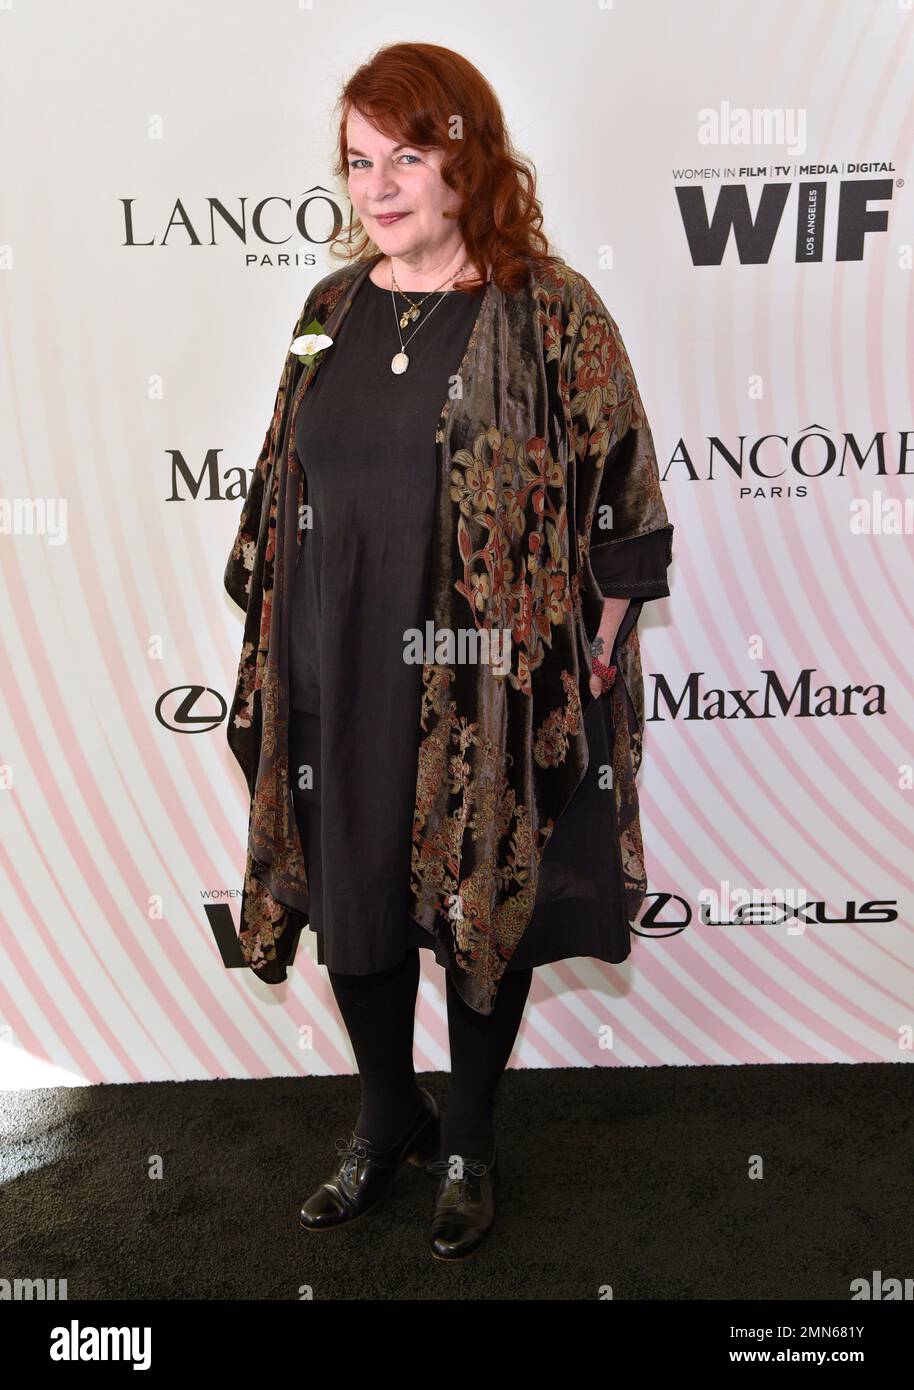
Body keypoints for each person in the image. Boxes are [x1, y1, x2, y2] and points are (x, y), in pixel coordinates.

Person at [224, 41, 674, 1261]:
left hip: (482, 679)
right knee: (353, 896)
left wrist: (600, 641)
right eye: (360, 162)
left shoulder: (549, 306)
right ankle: (386, 1117)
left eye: (406, 157)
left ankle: (468, 1134)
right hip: (336, 661)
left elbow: (625, 492)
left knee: (484, 895)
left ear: (464, 159)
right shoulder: (329, 308)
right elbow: (278, 476)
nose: (379, 187)